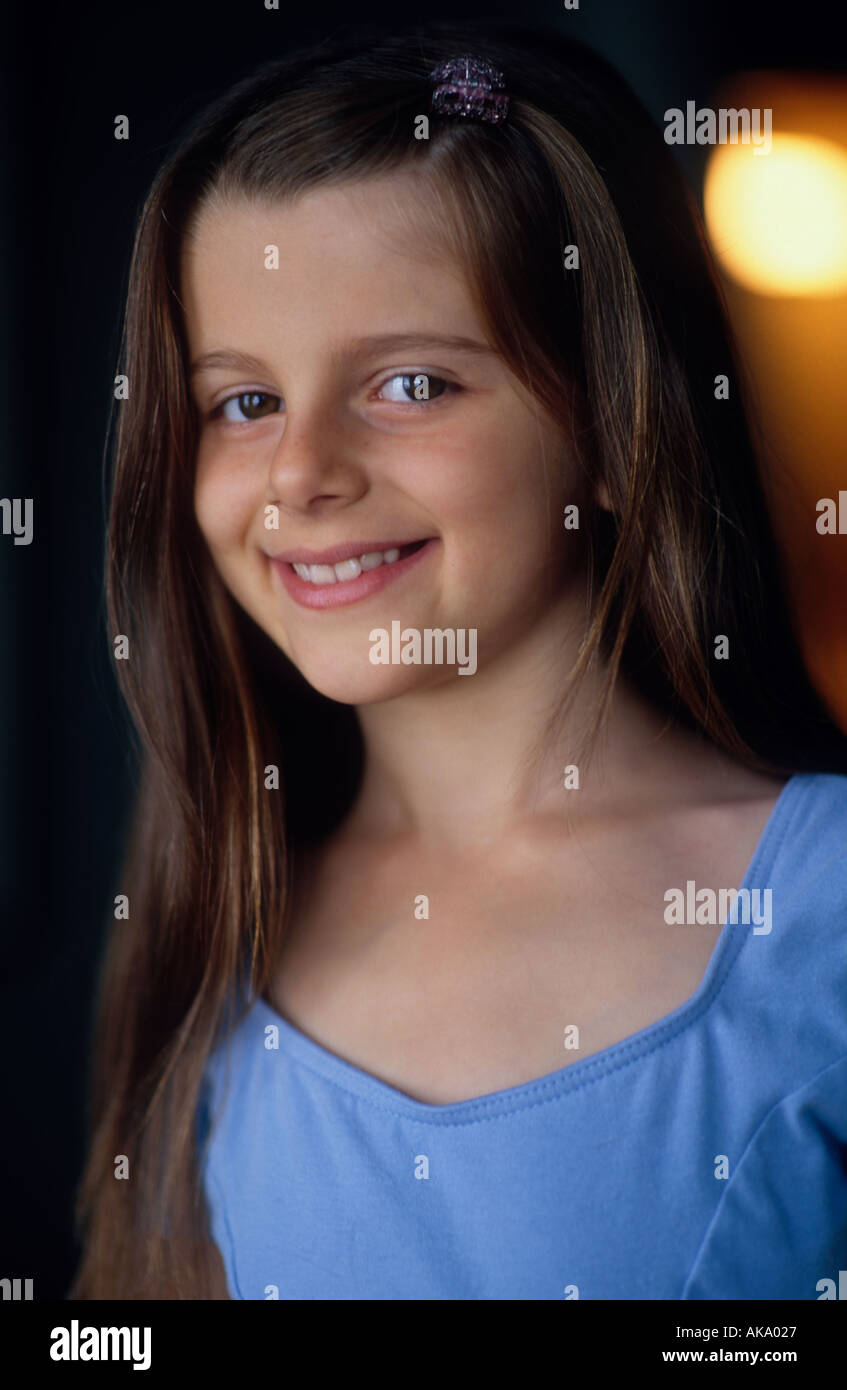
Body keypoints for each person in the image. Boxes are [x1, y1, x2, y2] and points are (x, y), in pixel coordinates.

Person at [70, 20, 847, 1300]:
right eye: (244, 402)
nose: (303, 471)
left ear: (612, 417)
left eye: (412, 383)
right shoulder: (214, 923)